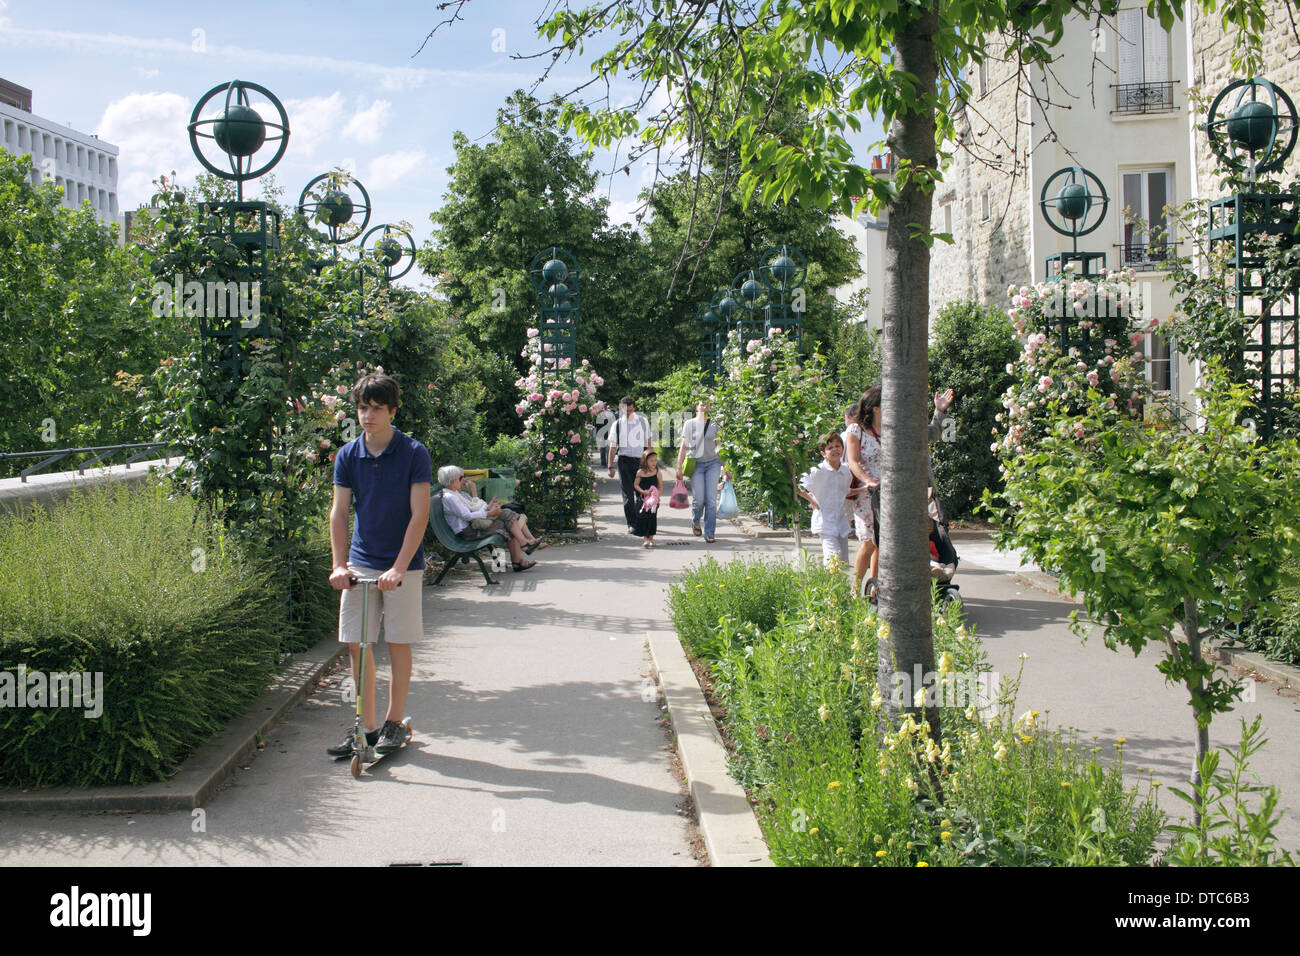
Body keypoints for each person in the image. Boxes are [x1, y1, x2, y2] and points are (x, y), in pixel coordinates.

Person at [327, 373, 431, 758]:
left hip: (403, 563)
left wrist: (400, 568)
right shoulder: (348, 455)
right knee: (358, 643)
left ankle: (393, 723)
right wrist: (340, 565)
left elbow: (419, 515)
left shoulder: (413, 452)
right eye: (362, 408)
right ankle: (365, 728)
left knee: (397, 640)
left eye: (376, 409)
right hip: (362, 561)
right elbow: (338, 514)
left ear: (391, 411)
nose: (367, 416)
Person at [438, 465, 545, 571]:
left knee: (508, 515)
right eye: (461, 478)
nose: (464, 480)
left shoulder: (457, 494)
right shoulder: (450, 497)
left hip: (473, 526)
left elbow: (473, 509)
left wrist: (489, 508)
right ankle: (521, 555)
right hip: (468, 532)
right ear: (452, 480)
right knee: (509, 523)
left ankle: (523, 548)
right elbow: (467, 516)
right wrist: (489, 513)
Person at [843, 385, 883, 596]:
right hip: (866, 493)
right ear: (876, 408)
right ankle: (854, 589)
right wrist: (869, 482)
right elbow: (853, 462)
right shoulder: (855, 430)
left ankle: (874, 587)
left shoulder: (886, 430)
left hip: (886, 492)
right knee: (868, 542)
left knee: (880, 543)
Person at [798, 431, 854, 569]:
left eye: (837, 446)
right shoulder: (817, 471)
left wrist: (864, 489)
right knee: (832, 558)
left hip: (841, 521)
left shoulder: (846, 471)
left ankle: (840, 589)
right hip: (825, 521)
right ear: (823, 453)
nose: (835, 449)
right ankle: (829, 587)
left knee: (843, 562)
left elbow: (845, 492)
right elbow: (798, 486)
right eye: (830, 448)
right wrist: (812, 501)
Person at [674, 399, 725, 543]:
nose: (704, 406)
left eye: (707, 404)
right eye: (701, 403)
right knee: (699, 500)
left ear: (709, 407)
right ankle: (696, 521)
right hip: (696, 465)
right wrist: (679, 468)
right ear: (696, 406)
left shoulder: (715, 424)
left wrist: (726, 467)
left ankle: (709, 533)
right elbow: (684, 447)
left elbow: (719, 446)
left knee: (711, 500)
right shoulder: (689, 424)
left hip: (713, 463)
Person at [607, 396, 651, 533]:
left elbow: (649, 444)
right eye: (625, 411)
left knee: (642, 493)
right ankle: (631, 523)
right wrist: (610, 466)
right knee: (627, 494)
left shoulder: (643, 422)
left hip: (640, 461)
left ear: (634, 408)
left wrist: (652, 464)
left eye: (630, 411)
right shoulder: (617, 425)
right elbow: (613, 447)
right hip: (624, 461)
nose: (628, 414)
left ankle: (640, 520)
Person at [631, 449, 662, 547]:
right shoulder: (640, 472)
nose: (654, 463)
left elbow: (660, 487)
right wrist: (642, 491)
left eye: (655, 460)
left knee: (652, 518)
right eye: (651, 460)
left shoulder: (657, 473)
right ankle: (646, 539)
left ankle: (651, 538)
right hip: (643, 500)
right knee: (643, 518)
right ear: (645, 461)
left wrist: (657, 495)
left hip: (653, 501)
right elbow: (636, 485)